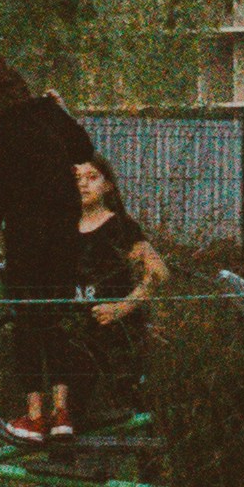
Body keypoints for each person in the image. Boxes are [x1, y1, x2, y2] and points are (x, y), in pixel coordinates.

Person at [0, 57, 100, 446]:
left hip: (26, 234)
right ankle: (63, 412)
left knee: (27, 320)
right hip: (63, 231)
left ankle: (35, 414)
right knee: (55, 317)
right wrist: (60, 108)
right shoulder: (48, 113)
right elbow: (84, 148)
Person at [65, 155, 171, 438]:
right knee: (66, 408)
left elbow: (158, 272)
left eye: (92, 177)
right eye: (77, 179)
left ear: (108, 185)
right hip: (74, 331)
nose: (83, 185)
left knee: (135, 404)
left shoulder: (119, 228)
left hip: (116, 335)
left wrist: (123, 307)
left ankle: (151, 469)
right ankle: (56, 472)